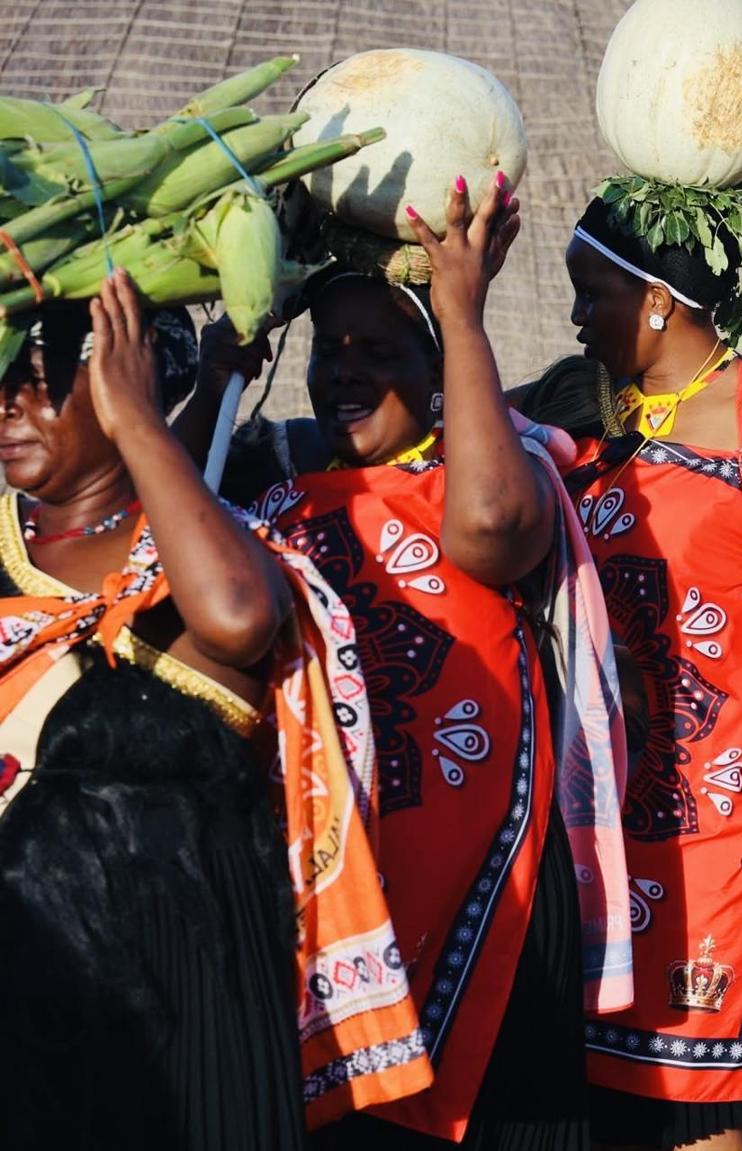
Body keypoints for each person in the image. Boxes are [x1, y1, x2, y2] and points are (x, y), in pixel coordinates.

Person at [190, 174, 626, 1147]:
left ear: (439, 377)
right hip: (345, 922)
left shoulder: (505, 475)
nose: (346, 372)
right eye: (327, 352)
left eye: (379, 352)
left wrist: (460, 315)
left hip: (495, 916)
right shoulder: (276, 500)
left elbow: (488, 528)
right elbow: (152, 528)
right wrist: (230, 351)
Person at [0, 273, 424, 1146]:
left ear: (127, 376)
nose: (14, 404)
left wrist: (139, 421)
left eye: (46, 378)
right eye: (6, 378)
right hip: (27, 992)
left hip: (193, 1000)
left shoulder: (206, 560)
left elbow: (237, 619)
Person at [561, 185, 742, 1151]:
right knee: (618, 1086)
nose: (574, 315)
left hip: (723, 812)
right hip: (608, 815)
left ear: (655, 301)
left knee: (702, 1095)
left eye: (590, 292)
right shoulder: (600, 411)